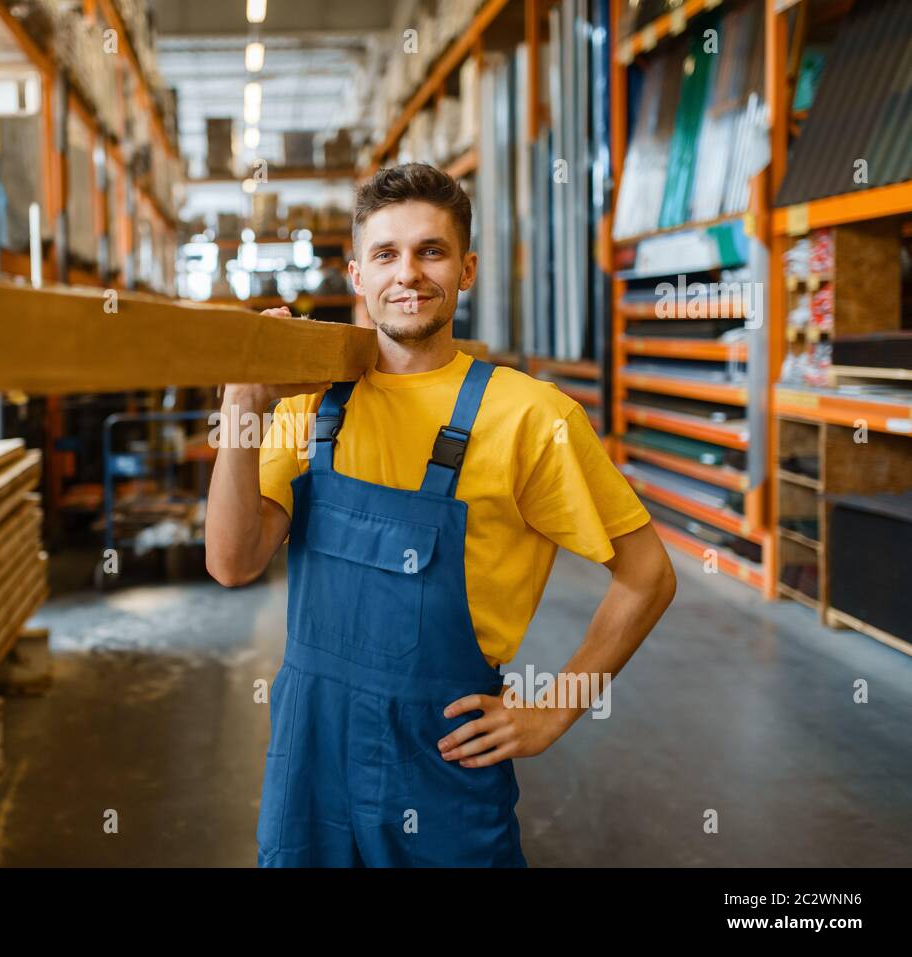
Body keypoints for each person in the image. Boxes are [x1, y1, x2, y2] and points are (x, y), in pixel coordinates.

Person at [205, 162, 676, 867]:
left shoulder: (529, 416)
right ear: (357, 274)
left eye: (432, 251)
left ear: (467, 268)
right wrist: (243, 405)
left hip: (441, 757)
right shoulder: (309, 406)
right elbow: (233, 561)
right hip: (310, 752)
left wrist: (553, 708)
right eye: (386, 254)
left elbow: (649, 575)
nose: (409, 274)